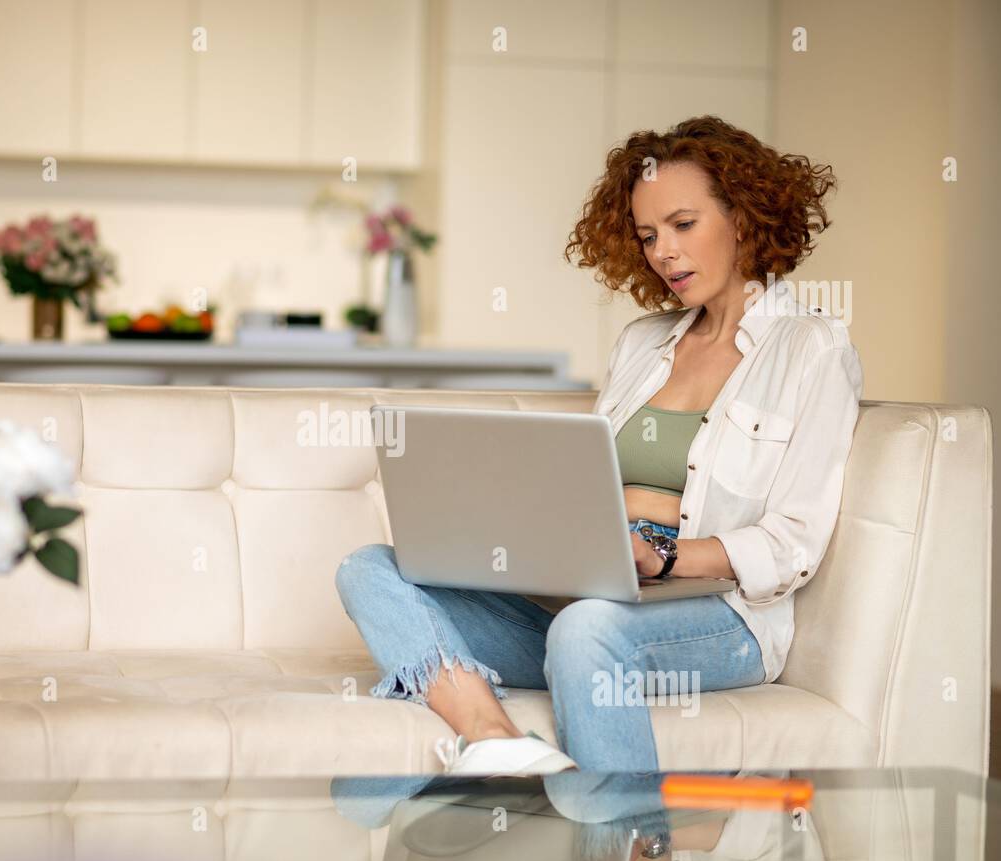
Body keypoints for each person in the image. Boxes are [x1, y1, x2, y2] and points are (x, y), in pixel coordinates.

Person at [334, 115, 863, 787]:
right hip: (586, 597)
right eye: (647, 236)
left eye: (682, 224)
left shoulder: (810, 348)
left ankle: (630, 841)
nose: (664, 253)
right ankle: (495, 739)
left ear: (745, 216)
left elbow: (794, 543)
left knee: (587, 631)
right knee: (370, 568)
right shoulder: (643, 343)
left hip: (719, 617)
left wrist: (661, 556)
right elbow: (583, 484)